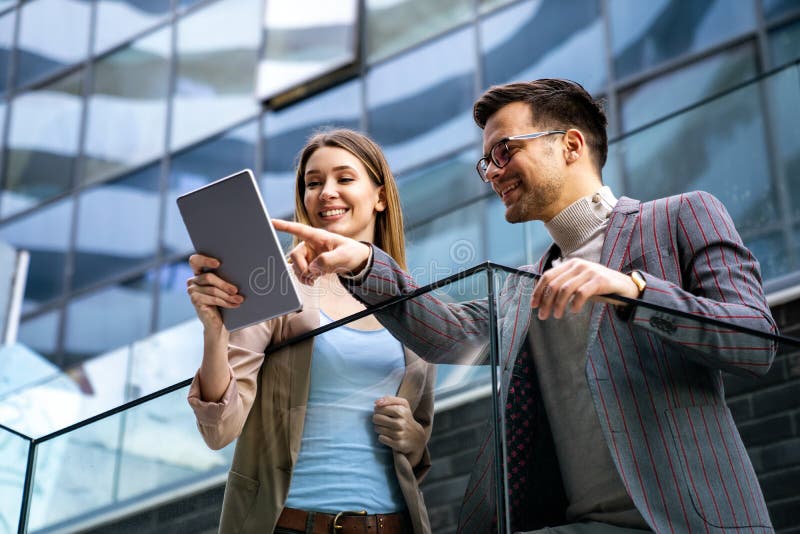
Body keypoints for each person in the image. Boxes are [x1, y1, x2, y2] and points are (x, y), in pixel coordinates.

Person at [273, 79, 778, 534]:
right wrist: (364, 261)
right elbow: (444, 332)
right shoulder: (523, 287)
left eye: (504, 150)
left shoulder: (681, 217)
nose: (492, 173)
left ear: (571, 145)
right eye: (486, 161)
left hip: (692, 521)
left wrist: (633, 290)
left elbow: (757, 342)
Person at [185, 128, 436, 534]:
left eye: (345, 178)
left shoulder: (410, 300)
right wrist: (215, 332)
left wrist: (413, 437)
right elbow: (220, 428)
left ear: (380, 197)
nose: (326, 192)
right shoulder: (275, 283)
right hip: (290, 525)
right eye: (313, 183)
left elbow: (419, 439)